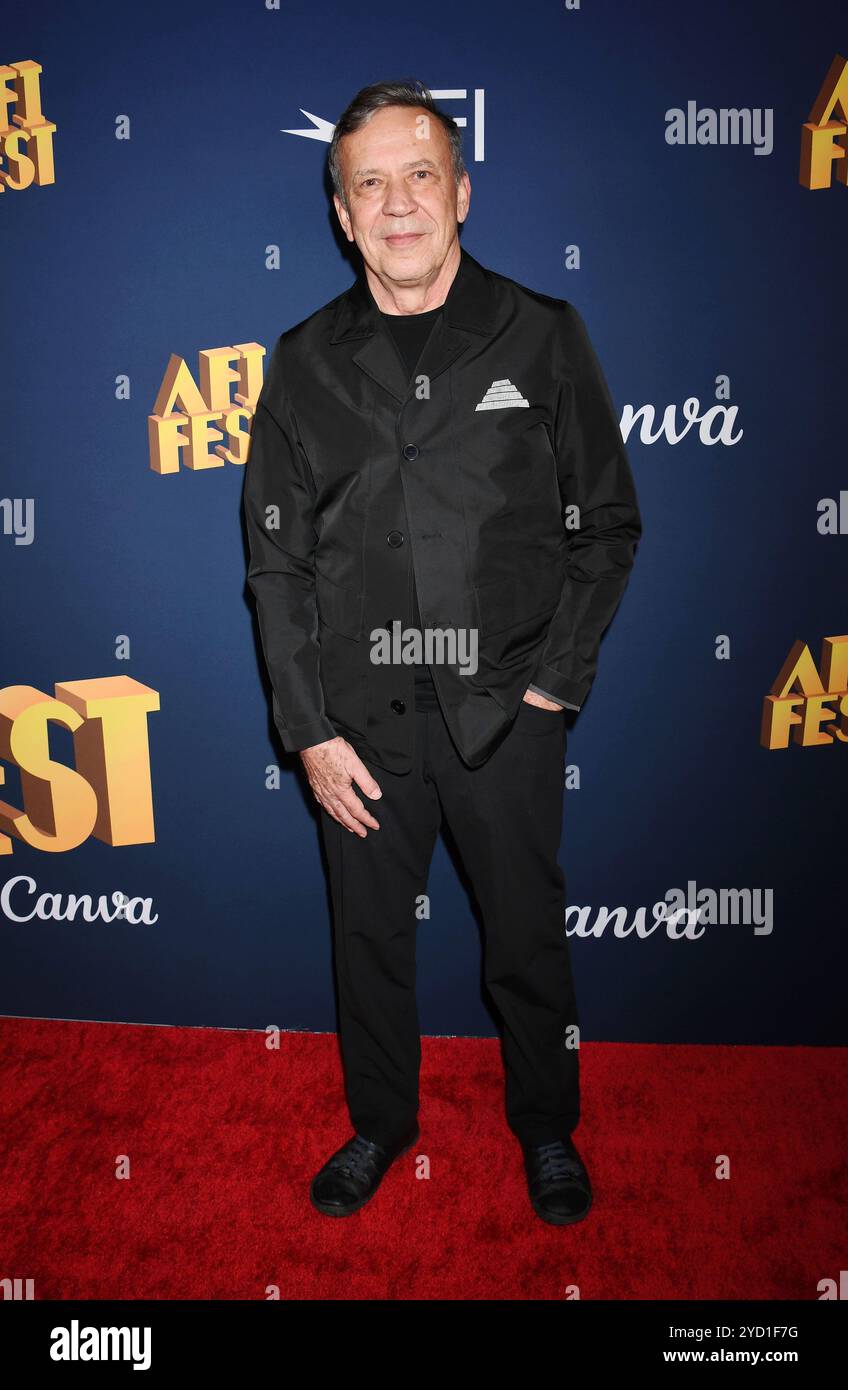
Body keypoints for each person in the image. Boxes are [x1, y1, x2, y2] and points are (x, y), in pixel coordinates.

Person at [243, 79, 641, 1226]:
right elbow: (275, 564)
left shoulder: (543, 333)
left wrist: (551, 685)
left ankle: (547, 1127)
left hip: (502, 712)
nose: (397, 202)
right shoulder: (302, 359)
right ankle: (378, 1123)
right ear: (341, 212)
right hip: (359, 726)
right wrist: (306, 726)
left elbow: (606, 524)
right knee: (366, 942)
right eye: (368, 182)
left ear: (461, 191)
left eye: (419, 174)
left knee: (524, 936)